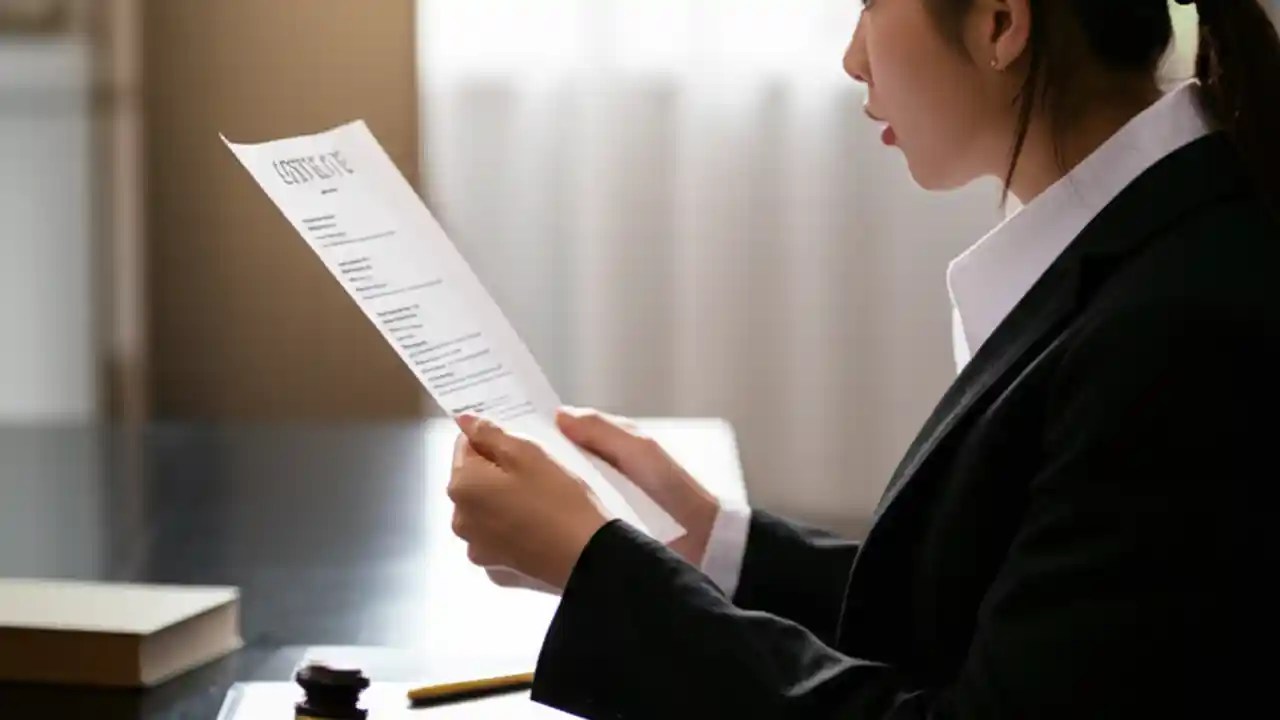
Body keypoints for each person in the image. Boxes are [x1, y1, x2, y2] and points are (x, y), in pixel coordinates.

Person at [447, 1, 1280, 717]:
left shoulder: (1178, 327)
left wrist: (600, 573)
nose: (852, 59)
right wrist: (711, 540)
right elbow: (990, 609)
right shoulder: (1154, 241)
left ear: (999, 21)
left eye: (871, 5)